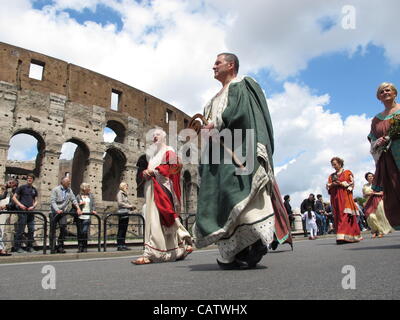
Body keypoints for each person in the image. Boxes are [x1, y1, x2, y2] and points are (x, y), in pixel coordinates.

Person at [192, 53, 292, 270]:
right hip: (218, 154)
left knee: (236, 190)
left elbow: (243, 115)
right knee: (221, 197)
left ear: (231, 65)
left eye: (217, 62)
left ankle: (254, 244)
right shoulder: (211, 101)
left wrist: (216, 125)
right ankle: (234, 252)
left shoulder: (242, 85)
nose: (213, 66)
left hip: (238, 147)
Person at [132, 128, 193, 265]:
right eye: (153, 135)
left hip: (161, 190)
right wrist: (145, 173)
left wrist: (153, 171)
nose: (154, 137)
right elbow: (149, 171)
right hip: (151, 189)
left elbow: (173, 166)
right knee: (158, 220)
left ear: (164, 137)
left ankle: (151, 254)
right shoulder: (154, 155)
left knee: (155, 219)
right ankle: (177, 250)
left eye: (157, 135)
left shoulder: (169, 150)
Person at [368, 82, 400, 229]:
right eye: (381, 91)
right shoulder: (376, 119)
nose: (385, 92)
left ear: (394, 93)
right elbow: (372, 138)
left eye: (388, 90)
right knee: (395, 190)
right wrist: (378, 141)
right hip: (389, 159)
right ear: (378, 97)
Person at [326, 157, 362, 244]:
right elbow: (328, 186)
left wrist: (341, 183)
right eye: (332, 165)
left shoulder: (347, 173)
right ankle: (347, 236)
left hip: (345, 196)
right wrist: (332, 184)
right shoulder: (331, 176)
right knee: (338, 216)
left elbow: (351, 183)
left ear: (340, 163)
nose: (334, 166)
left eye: (335, 164)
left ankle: (341, 237)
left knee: (345, 215)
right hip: (335, 197)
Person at [50, 177, 82, 253]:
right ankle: (53, 247)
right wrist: (57, 210)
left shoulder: (69, 190)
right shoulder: (55, 189)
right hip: (54, 212)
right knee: (52, 230)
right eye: (68, 181)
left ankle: (60, 246)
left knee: (63, 228)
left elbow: (73, 200)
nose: (69, 183)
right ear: (63, 182)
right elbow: (53, 201)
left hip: (63, 213)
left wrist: (78, 208)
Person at [362, 172, 393, 238]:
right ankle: (375, 230)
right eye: (369, 176)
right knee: (370, 216)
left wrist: (374, 193)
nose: (371, 177)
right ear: (366, 178)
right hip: (369, 202)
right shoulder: (365, 186)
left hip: (378, 201)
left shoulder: (378, 184)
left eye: (372, 176)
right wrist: (367, 195)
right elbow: (364, 195)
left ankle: (380, 231)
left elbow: (382, 193)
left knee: (380, 216)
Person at [12, 174, 38, 253]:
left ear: (33, 180)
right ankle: (17, 247)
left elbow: (36, 200)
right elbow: (14, 197)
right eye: (28, 178)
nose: (29, 179)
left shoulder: (34, 189)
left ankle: (29, 247)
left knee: (31, 229)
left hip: (30, 211)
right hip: (22, 211)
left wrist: (33, 206)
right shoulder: (22, 187)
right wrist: (20, 205)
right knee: (20, 229)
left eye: (30, 178)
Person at [75, 183, 96, 253]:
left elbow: (93, 204)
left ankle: (85, 246)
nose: (89, 189)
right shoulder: (78, 196)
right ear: (84, 189)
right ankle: (80, 246)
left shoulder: (91, 196)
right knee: (80, 232)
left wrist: (93, 210)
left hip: (87, 216)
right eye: (88, 188)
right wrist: (80, 204)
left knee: (84, 231)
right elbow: (74, 205)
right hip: (80, 216)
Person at [116, 182, 134, 251]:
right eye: (126, 186)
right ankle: (120, 245)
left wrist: (131, 207)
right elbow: (120, 203)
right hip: (122, 213)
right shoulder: (120, 193)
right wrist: (129, 206)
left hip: (126, 212)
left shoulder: (125, 194)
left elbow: (126, 203)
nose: (127, 187)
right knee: (121, 230)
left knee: (124, 230)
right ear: (122, 186)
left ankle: (123, 244)